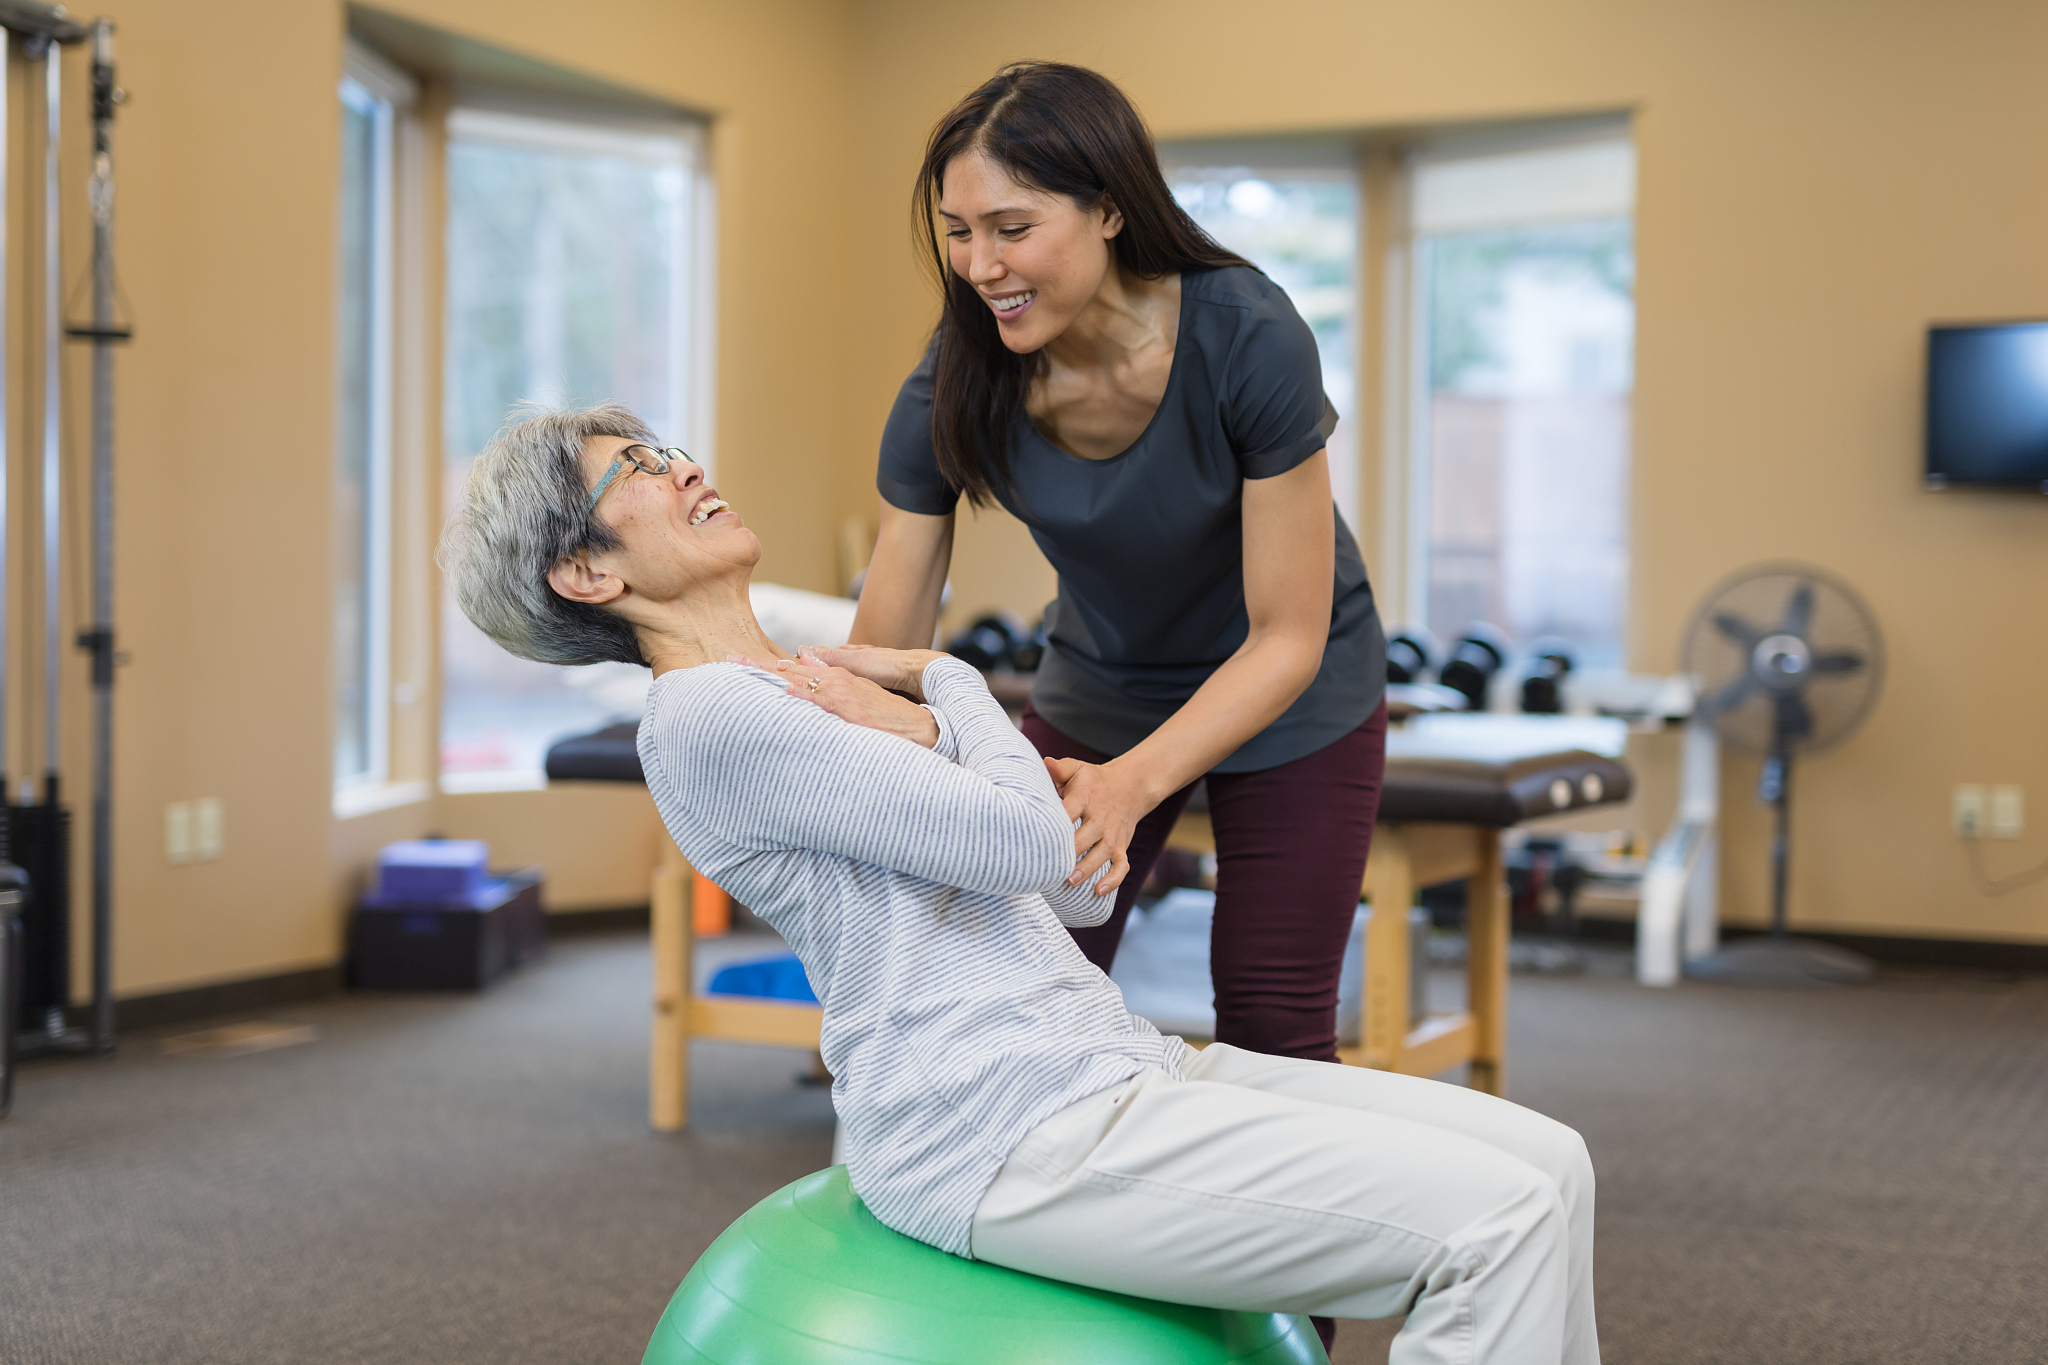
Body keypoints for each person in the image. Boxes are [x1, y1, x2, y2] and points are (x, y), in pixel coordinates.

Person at [440, 404, 1599, 1364]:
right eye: (634, 470)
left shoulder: (810, 687)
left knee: (1552, 1164)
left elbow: (1077, 891)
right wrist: (946, 681)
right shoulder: (706, 719)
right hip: (998, 1126)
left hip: (1108, 1067)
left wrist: (953, 740)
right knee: (1494, 1224)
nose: (682, 463)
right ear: (586, 571)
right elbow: (1034, 845)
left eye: (665, 444)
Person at [852, 61, 1389, 1069]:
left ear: (1107, 209)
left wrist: (1132, 786)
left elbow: (1287, 637)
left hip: (1291, 693)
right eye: (958, 231)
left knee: (1272, 1019)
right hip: (1101, 684)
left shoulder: (1244, 336)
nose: (979, 266)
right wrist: (854, 763)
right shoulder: (959, 372)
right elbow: (886, 639)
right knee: (1020, 989)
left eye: (1012, 230)